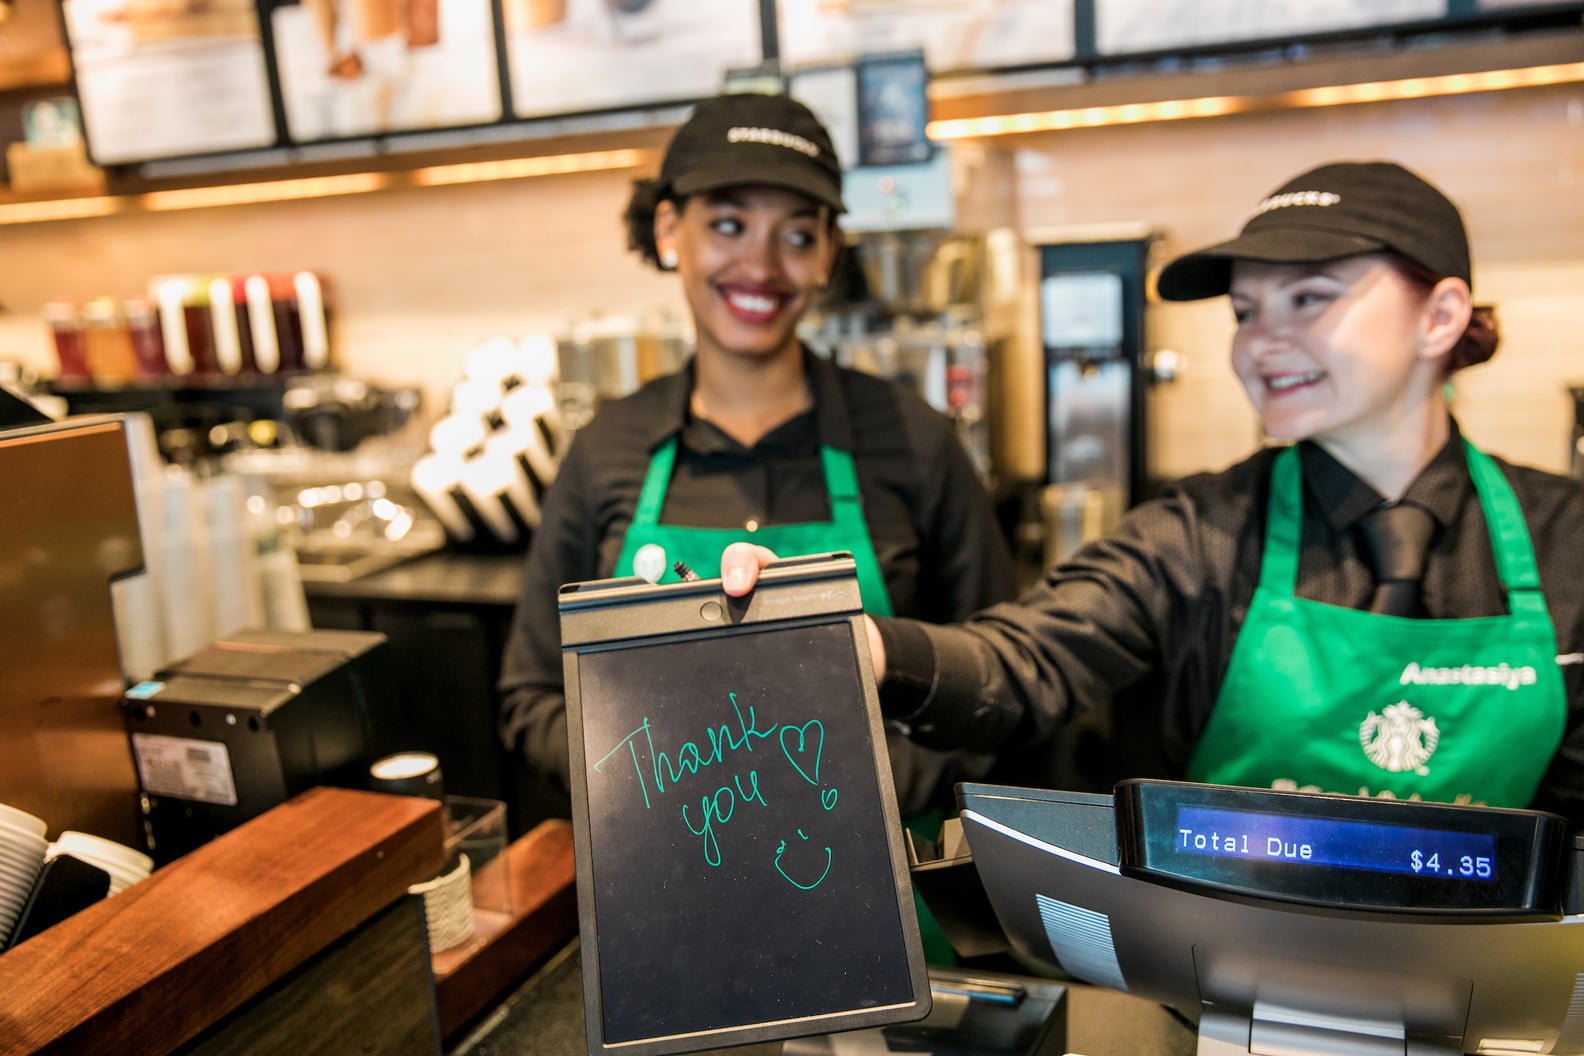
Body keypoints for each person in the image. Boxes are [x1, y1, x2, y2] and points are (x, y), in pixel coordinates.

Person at [722, 160, 1584, 825]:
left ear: (1440, 317)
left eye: (1310, 298)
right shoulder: (1199, 532)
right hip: (1229, 969)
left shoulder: (1567, 539)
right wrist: (870, 647)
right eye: (1245, 312)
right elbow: (1024, 662)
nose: (1261, 342)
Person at [498, 92, 1016, 822]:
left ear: (829, 253)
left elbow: (997, 680)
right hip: (665, 859)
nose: (761, 265)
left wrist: (865, 780)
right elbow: (531, 696)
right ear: (670, 229)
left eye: (797, 235)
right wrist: (658, 782)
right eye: (729, 225)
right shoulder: (606, 448)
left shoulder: (915, 442)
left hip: (890, 857)